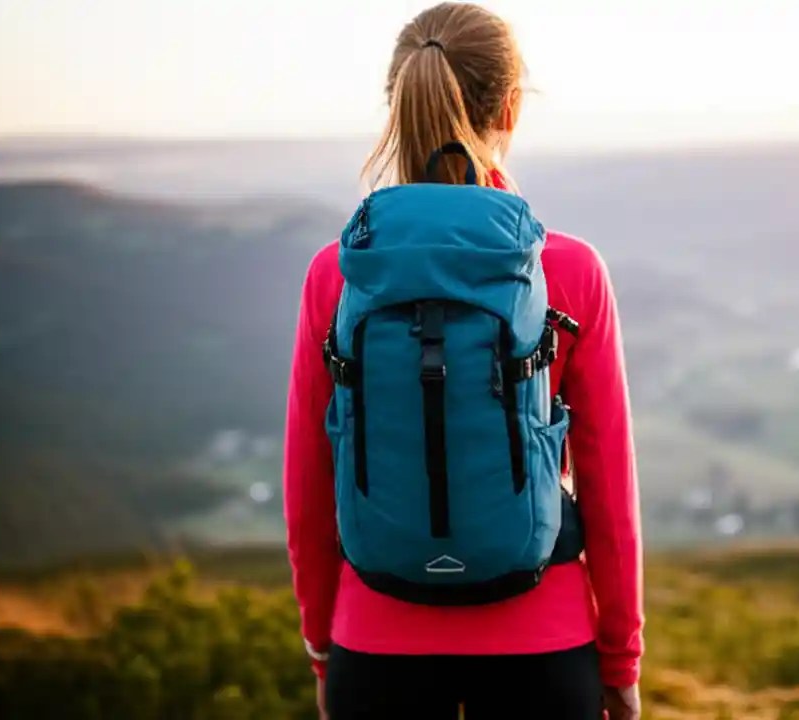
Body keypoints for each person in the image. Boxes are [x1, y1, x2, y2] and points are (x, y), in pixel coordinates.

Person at [282, 3, 643, 719]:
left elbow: (308, 480)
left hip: (374, 645)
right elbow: (607, 484)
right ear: (509, 107)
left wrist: (324, 640)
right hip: (545, 647)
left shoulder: (339, 273)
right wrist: (621, 658)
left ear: (397, 102)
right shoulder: (564, 270)